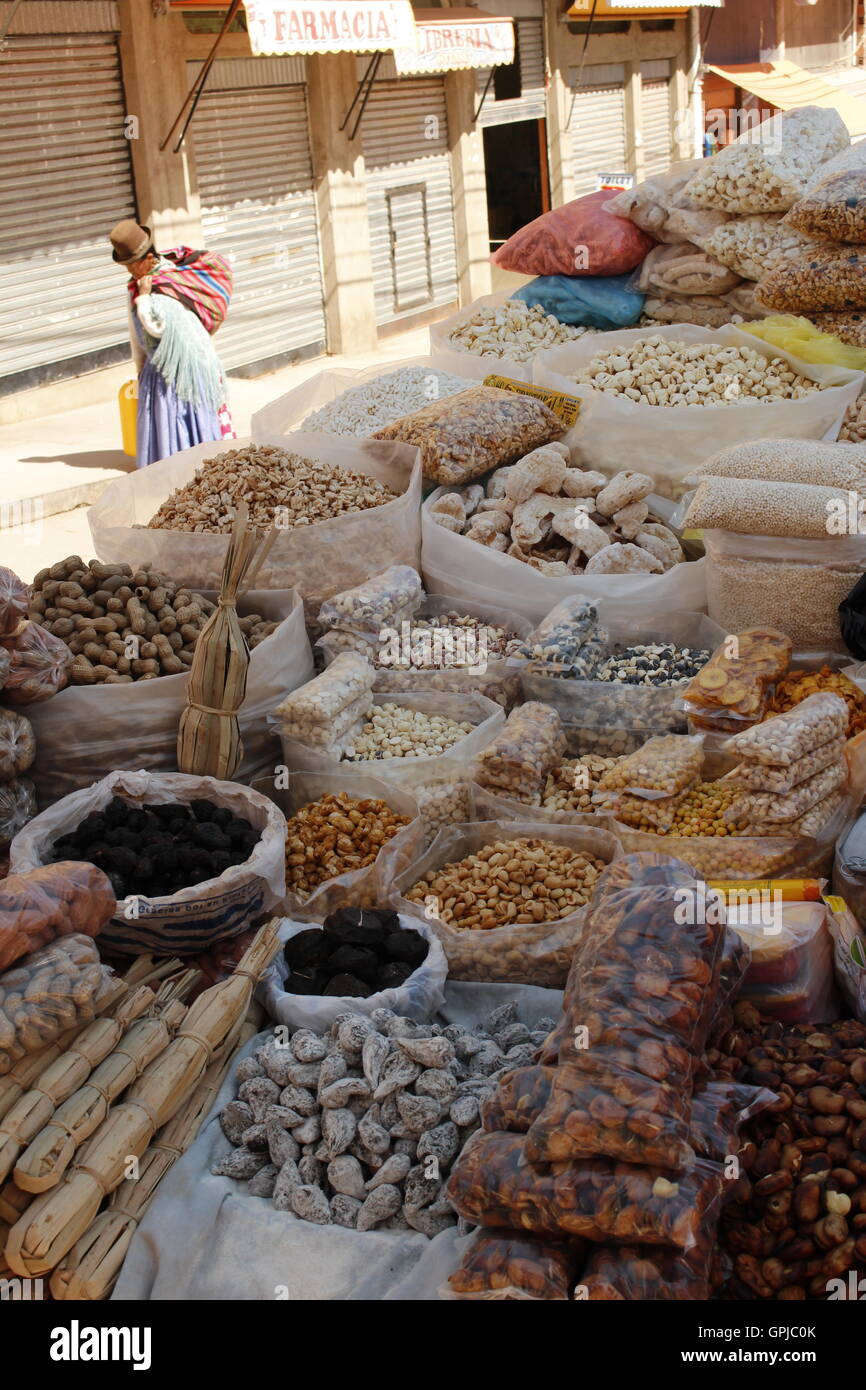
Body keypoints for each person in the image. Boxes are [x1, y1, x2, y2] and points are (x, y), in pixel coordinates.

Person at [109, 220, 233, 468]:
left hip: (178, 370)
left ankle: (183, 471)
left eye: (131, 265)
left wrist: (143, 300)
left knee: (177, 422)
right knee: (188, 421)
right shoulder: (157, 278)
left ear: (145, 258)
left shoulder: (157, 285)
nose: (130, 271)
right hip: (178, 366)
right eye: (127, 266)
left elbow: (158, 327)